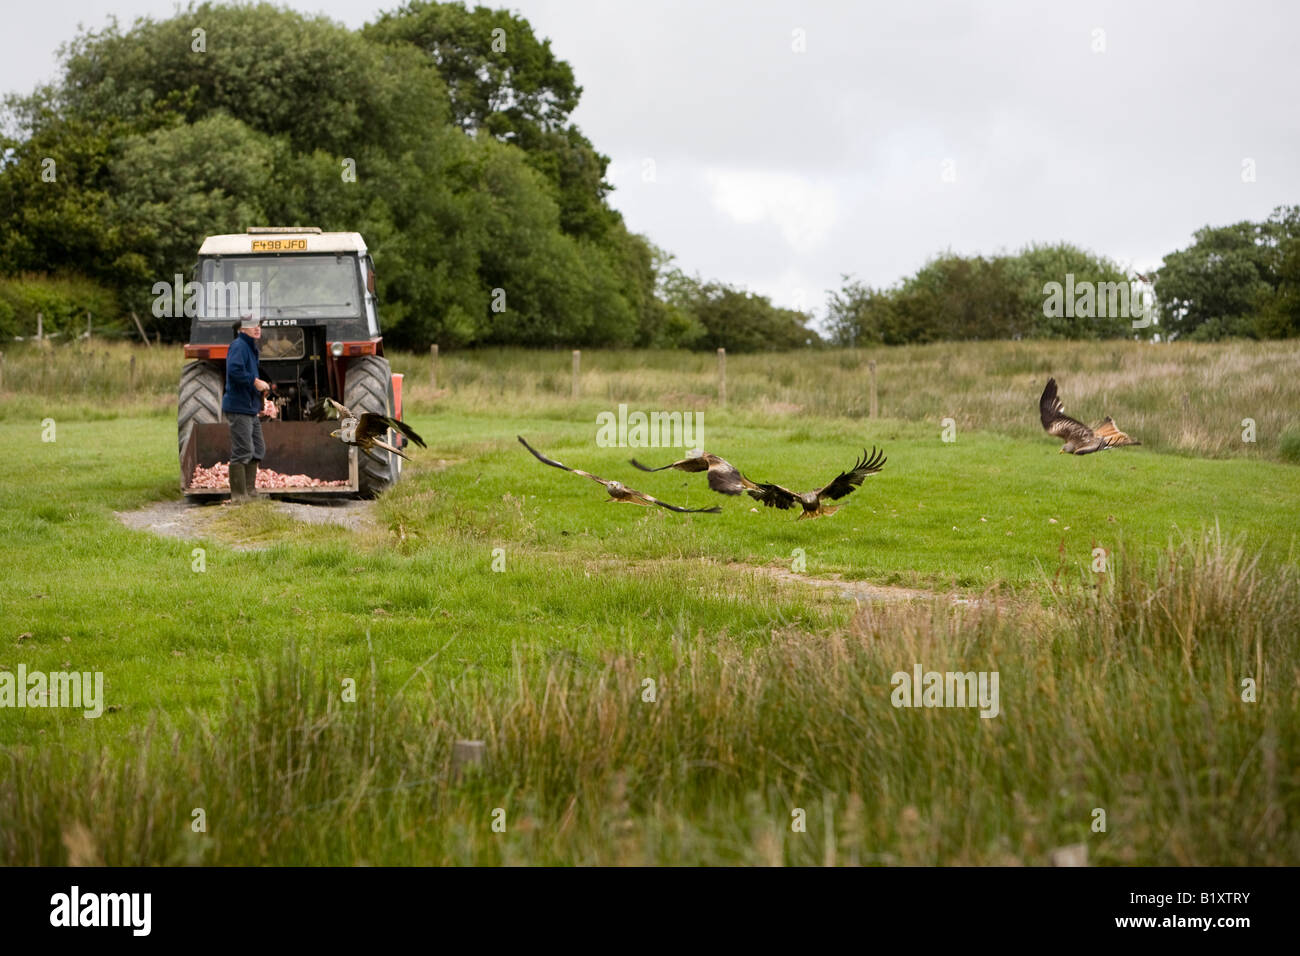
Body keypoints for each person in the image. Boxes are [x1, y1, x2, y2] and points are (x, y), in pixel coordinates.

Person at [223, 313, 271, 501]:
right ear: (241, 329)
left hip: (249, 407)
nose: (257, 327)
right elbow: (234, 371)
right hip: (238, 407)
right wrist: (255, 382)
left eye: (259, 324)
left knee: (258, 449)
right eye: (252, 325)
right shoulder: (239, 346)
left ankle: (250, 492)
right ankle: (238, 496)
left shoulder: (250, 348)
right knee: (242, 451)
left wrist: (260, 394)